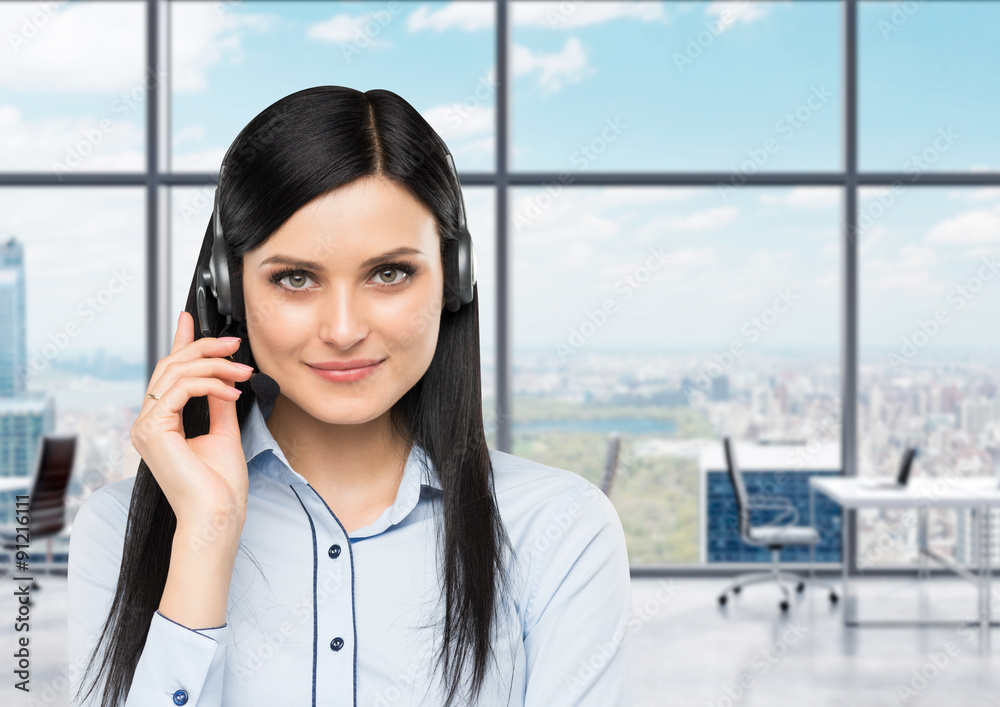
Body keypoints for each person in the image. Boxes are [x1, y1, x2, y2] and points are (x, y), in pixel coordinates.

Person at [67, 85, 632, 707]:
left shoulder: (558, 529)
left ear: (453, 279)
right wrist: (205, 537)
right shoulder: (118, 531)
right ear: (227, 291)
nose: (342, 330)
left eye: (389, 274)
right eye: (295, 278)